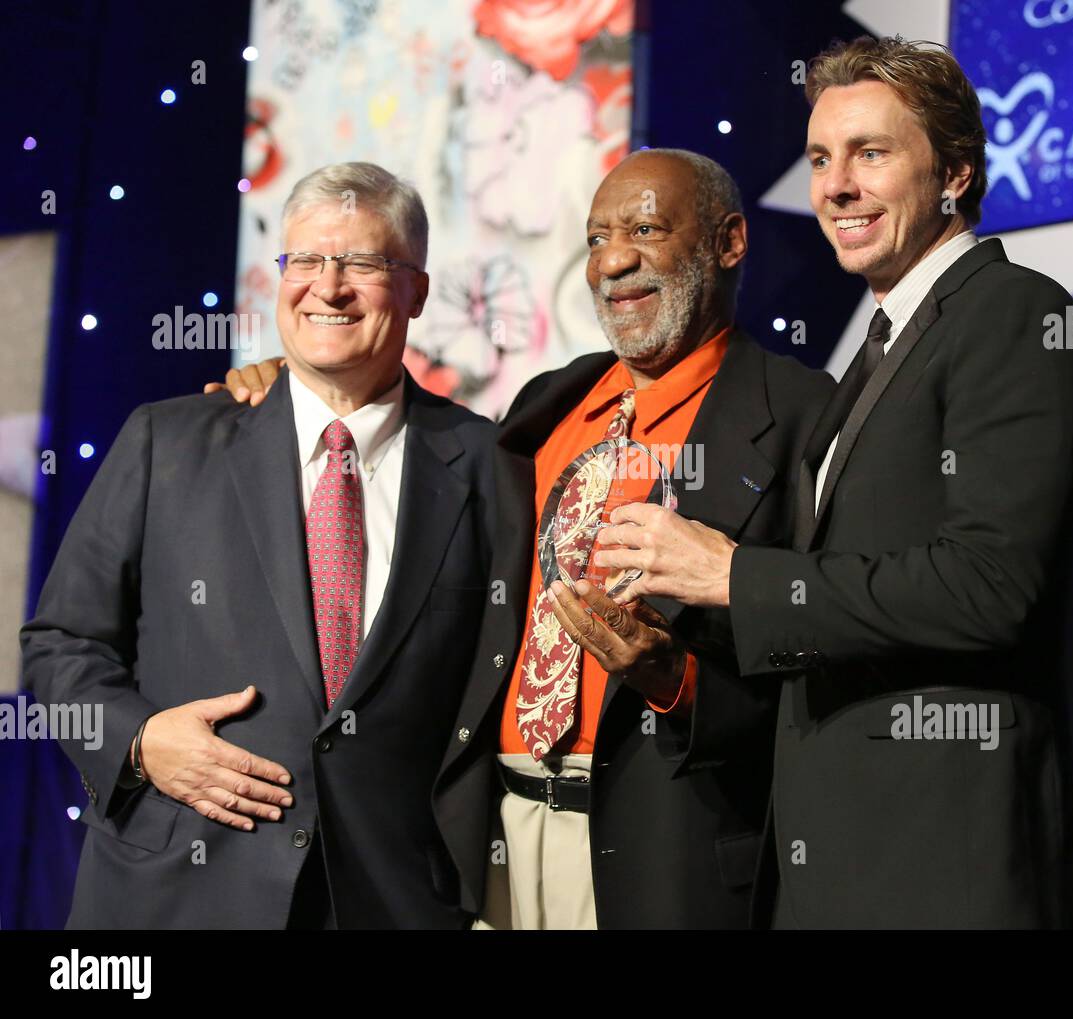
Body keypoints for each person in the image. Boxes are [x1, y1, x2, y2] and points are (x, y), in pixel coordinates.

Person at [218, 149, 835, 929]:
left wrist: (677, 677)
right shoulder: (548, 404)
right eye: (596, 239)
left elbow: (829, 661)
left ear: (730, 241)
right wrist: (293, 386)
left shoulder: (807, 417)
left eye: (645, 229)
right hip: (494, 839)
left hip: (662, 842)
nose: (613, 261)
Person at [594, 38, 1073, 928]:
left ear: (955, 172)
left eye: (871, 154)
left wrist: (733, 575)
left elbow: (990, 587)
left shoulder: (1016, 313)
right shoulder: (879, 349)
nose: (834, 186)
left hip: (944, 862)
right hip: (836, 864)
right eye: (822, 158)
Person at [22, 162, 498, 929]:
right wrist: (140, 740)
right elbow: (60, 643)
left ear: (417, 289)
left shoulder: (490, 464)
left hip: (391, 902)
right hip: (173, 898)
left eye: (364, 263)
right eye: (305, 260)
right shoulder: (165, 440)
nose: (328, 286)